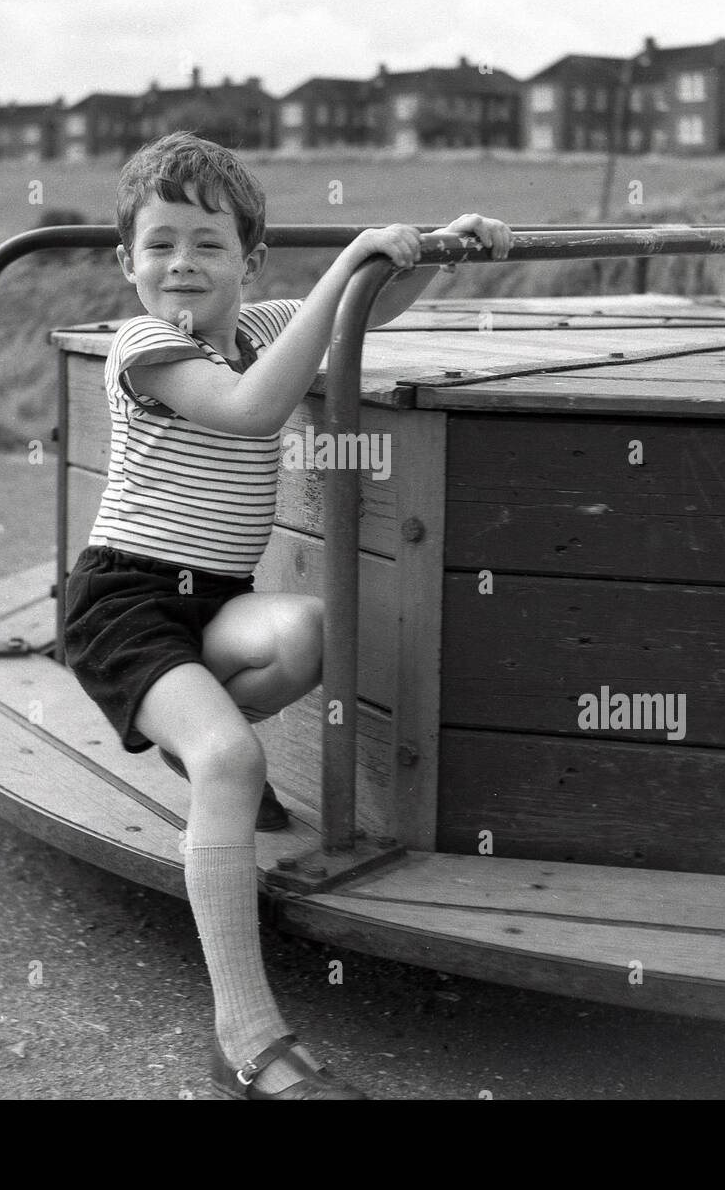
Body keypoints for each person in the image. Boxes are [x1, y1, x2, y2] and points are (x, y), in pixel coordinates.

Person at [64, 130, 512, 1099]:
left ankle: (197, 741)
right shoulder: (144, 346)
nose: (181, 263)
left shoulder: (265, 323)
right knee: (235, 762)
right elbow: (250, 410)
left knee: (307, 631)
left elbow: (362, 305)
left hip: (211, 603)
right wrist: (352, 252)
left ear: (250, 259)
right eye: (159, 244)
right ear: (125, 261)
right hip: (122, 600)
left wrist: (436, 247)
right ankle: (247, 1035)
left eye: (207, 244)